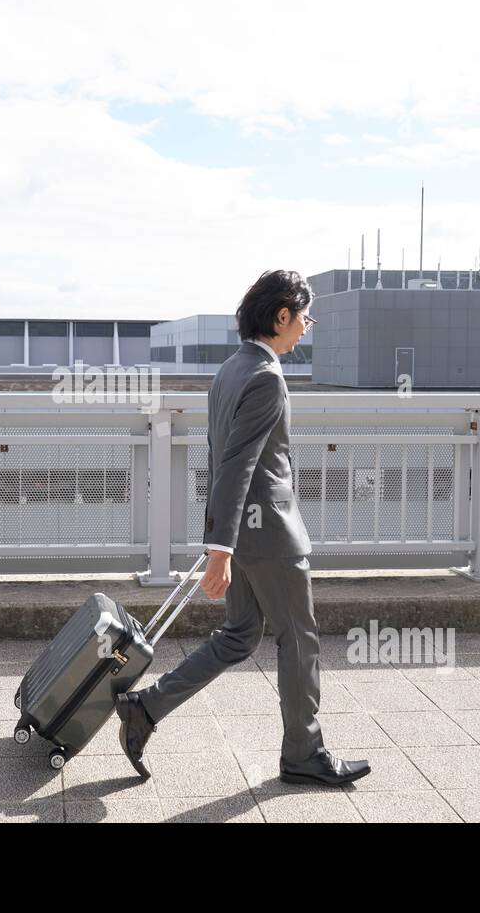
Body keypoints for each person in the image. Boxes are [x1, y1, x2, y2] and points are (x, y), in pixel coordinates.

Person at [115, 270, 370, 786]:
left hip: (242, 533)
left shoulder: (230, 369)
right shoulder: (267, 377)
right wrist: (220, 550)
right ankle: (304, 754)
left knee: (239, 635)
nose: (306, 329)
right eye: (304, 319)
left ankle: (146, 708)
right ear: (282, 315)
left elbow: (221, 460)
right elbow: (237, 466)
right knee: (299, 639)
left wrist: (223, 540)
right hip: (270, 535)